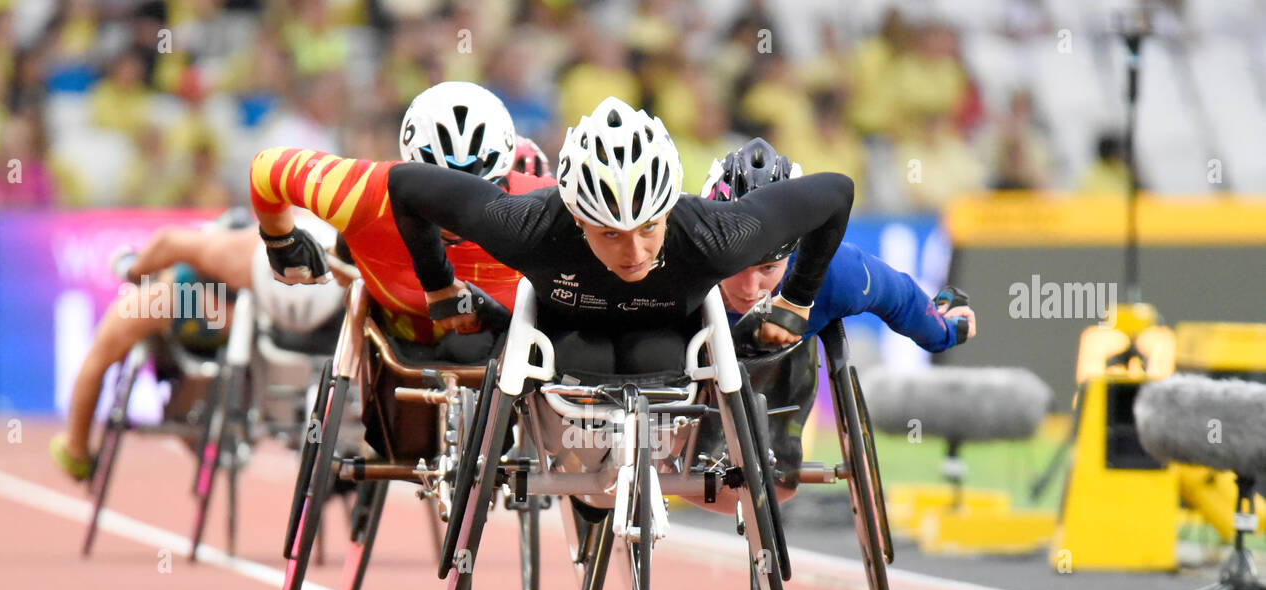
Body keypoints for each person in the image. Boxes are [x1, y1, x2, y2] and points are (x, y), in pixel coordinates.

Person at [270, 96, 854, 378]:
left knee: (656, 355)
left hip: (667, 340)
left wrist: (798, 297)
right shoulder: (526, 223)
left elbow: (836, 191)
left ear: (671, 209)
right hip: (567, 339)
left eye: (648, 229)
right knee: (559, 353)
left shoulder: (719, 236)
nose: (633, 253)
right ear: (575, 217)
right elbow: (405, 186)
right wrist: (439, 288)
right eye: (608, 233)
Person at [249, 81, 554, 363]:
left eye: (478, 198)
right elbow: (267, 170)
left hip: (508, 356)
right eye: (438, 202)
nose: (458, 217)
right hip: (397, 354)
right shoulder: (364, 192)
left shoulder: (545, 202)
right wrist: (281, 242)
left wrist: (281, 240)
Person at [49, 210, 344, 480]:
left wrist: (131, 269)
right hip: (265, 320)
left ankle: (77, 448)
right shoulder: (256, 258)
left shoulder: (190, 272)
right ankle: (200, 435)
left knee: (110, 346)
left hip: (207, 307)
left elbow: (165, 244)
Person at [701, 138, 976, 351]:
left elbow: (900, 297)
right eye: (737, 265)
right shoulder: (680, 259)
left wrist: (947, 330)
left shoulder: (836, 274)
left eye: (768, 268)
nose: (749, 289)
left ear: (796, 249)